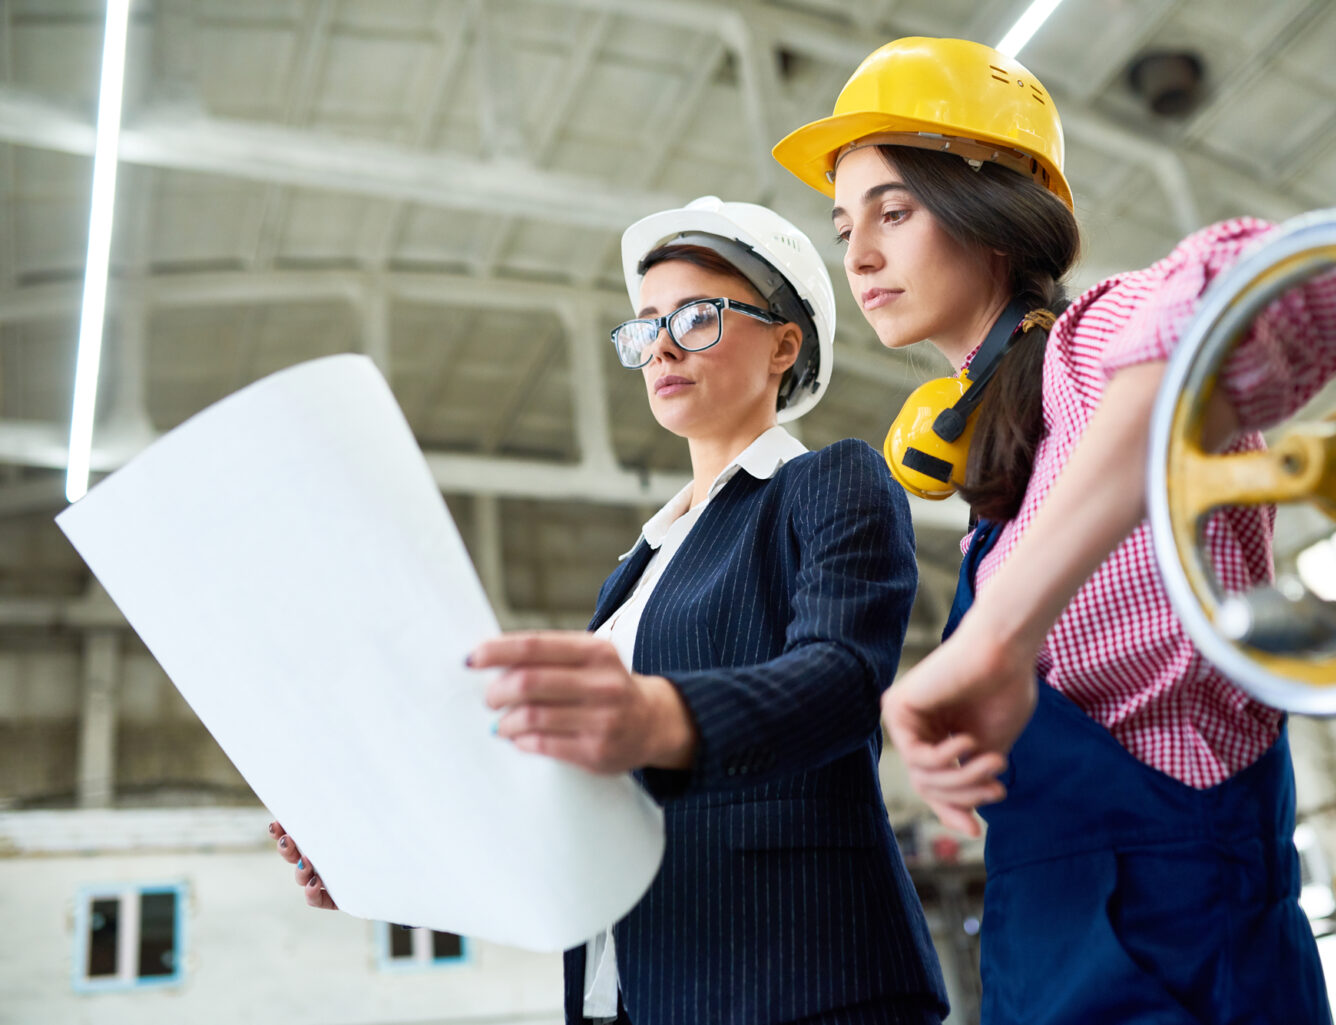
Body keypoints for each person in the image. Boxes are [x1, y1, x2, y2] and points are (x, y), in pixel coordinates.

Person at [774, 37, 1336, 1025]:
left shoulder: (1096, 351)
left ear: (991, 211)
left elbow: (1287, 288)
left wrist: (999, 632)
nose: (859, 255)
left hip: (1187, 960)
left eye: (895, 211)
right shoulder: (999, 483)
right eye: (843, 228)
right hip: (1035, 967)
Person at [271, 196, 948, 1025]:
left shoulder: (827, 482)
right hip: (633, 987)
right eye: (645, 325)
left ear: (784, 341)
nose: (661, 344)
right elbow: (581, 814)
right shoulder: (636, 571)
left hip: (794, 971)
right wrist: (383, 862)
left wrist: (657, 716)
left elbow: (842, 681)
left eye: (697, 316)